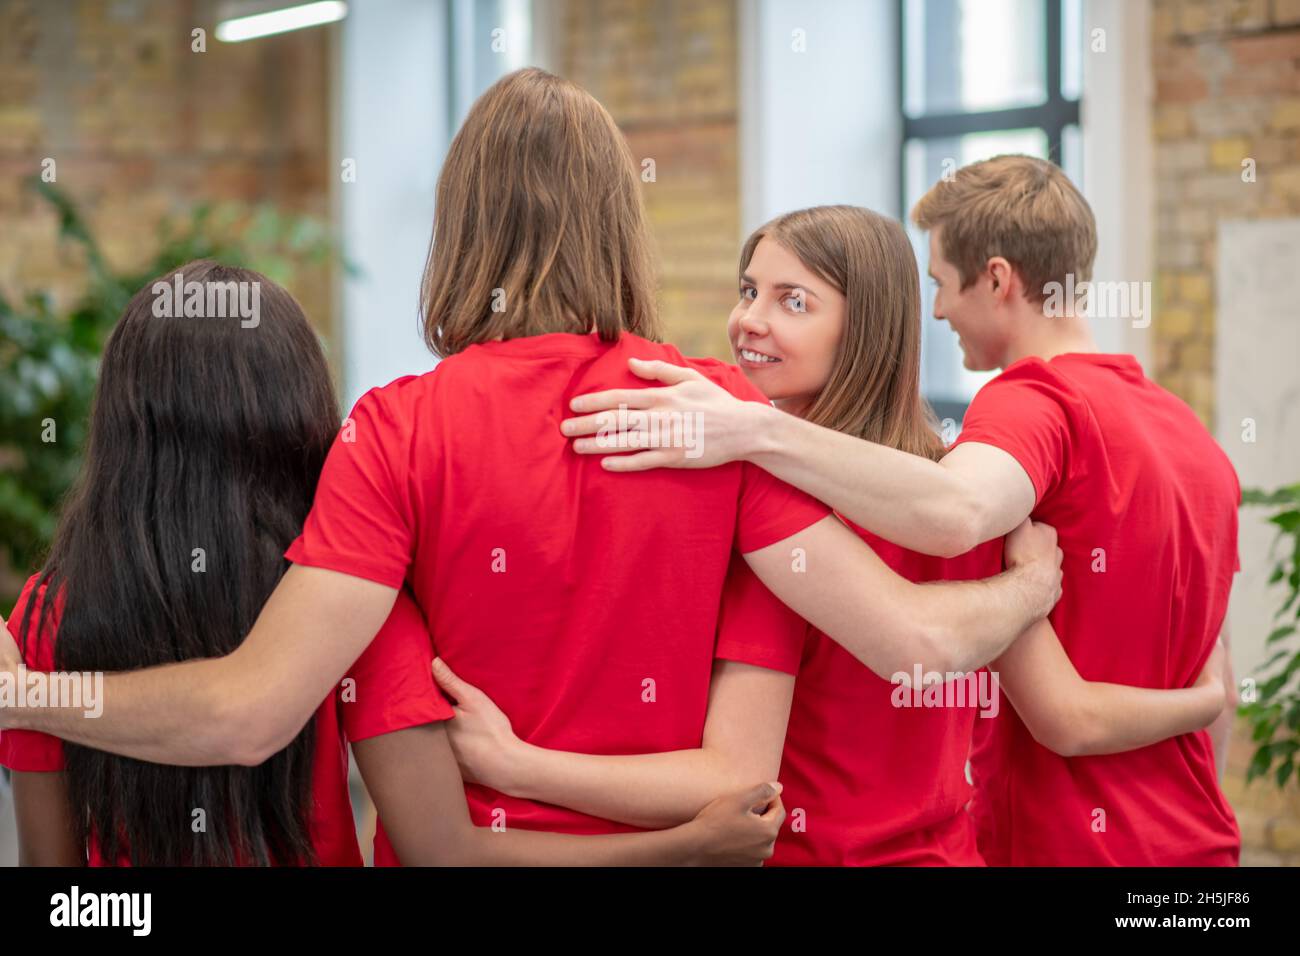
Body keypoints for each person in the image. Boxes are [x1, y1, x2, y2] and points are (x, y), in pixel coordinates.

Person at [0, 73, 1061, 855]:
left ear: (457, 223)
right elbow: (884, 652)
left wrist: (39, 697)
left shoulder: (397, 431)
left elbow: (251, 710)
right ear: (621, 219)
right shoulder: (710, 413)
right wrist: (1024, 584)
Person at [429, 205, 1227, 866]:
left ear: (867, 326)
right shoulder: (974, 504)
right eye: (749, 291)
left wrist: (518, 768)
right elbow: (1038, 691)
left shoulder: (789, 503)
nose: (749, 320)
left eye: (792, 301)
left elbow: (742, 769)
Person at [0, 261, 778, 866]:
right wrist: (682, 847)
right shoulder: (351, 604)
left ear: (123, 425)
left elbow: (54, 875)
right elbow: (444, 846)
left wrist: (28, 697)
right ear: (296, 416)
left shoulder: (44, 614)